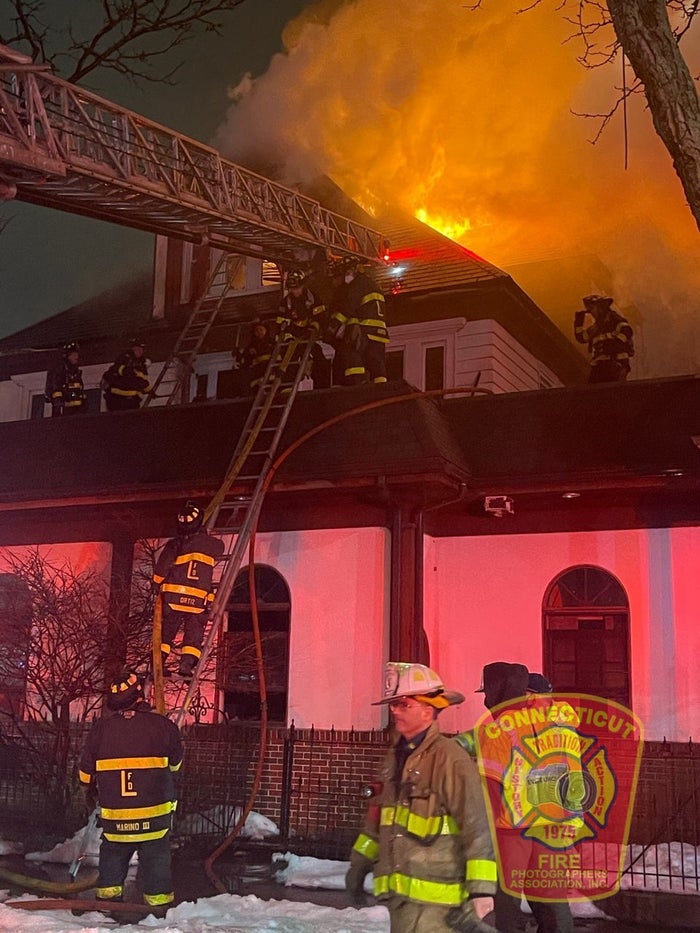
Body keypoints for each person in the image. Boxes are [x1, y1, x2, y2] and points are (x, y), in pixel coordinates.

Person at [346, 661, 497, 932]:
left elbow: (476, 825)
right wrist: (360, 862)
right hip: (401, 901)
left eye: (404, 704)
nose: (395, 711)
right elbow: (379, 819)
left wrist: (481, 890)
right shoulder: (394, 758)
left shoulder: (450, 759)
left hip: (439, 907)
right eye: (393, 705)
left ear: (428, 711)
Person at [475, 662, 575, 933]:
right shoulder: (550, 725)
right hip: (548, 826)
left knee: (506, 905)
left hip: (511, 831)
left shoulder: (496, 730)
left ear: (496, 693)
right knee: (550, 900)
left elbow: (491, 789)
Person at [78, 670, 183, 916]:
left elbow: (84, 774)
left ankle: (105, 911)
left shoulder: (100, 730)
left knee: (112, 865)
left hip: (116, 820)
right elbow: (176, 765)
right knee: (157, 866)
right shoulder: (164, 726)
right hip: (154, 820)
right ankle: (160, 916)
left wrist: (89, 794)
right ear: (139, 695)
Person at [152, 501, 225, 681]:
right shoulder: (212, 544)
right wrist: (204, 535)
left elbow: (161, 568)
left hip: (173, 599)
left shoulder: (175, 545)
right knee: (194, 635)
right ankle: (186, 666)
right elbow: (220, 548)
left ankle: (158, 666)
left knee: (166, 633)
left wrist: (156, 584)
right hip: (198, 602)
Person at [342, 257, 389, 385]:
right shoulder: (373, 284)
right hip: (380, 332)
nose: (347, 275)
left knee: (352, 355)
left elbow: (348, 307)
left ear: (356, 270)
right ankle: (381, 387)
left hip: (364, 328)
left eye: (348, 271)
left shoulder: (357, 284)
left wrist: (333, 326)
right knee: (377, 361)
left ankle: (356, 385)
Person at [574, 295, 634, 384]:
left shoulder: (615, 320)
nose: (591, 313)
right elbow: (582, 338)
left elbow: (627, 331)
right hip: (599, 365)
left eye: (592, 309)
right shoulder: (596, 327)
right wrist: (578, 323)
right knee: (594, 392)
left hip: (616, 364)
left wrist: (614, 345)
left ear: (601, 308)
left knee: (613, 391)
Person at [102, 337, 151, 410]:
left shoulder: (142, 364)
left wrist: (150, 390)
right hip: (117, 400)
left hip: (133, 401)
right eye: (137, 349)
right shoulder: (124, 358)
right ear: (133, 349)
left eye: (141, 349)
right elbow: (116, 369)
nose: (139, 351)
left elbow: (143, 381)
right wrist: (125, 370)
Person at [44, 341, 88, 416]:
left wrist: (84, 404)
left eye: (77, 354)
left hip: (76, 412)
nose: (76, 357)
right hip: (63, 411)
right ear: (66, 356)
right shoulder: (60, 370)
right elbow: (56, 389)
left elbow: (79, 390)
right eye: (73, 354)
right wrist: (59, 404)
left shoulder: (75, 372)